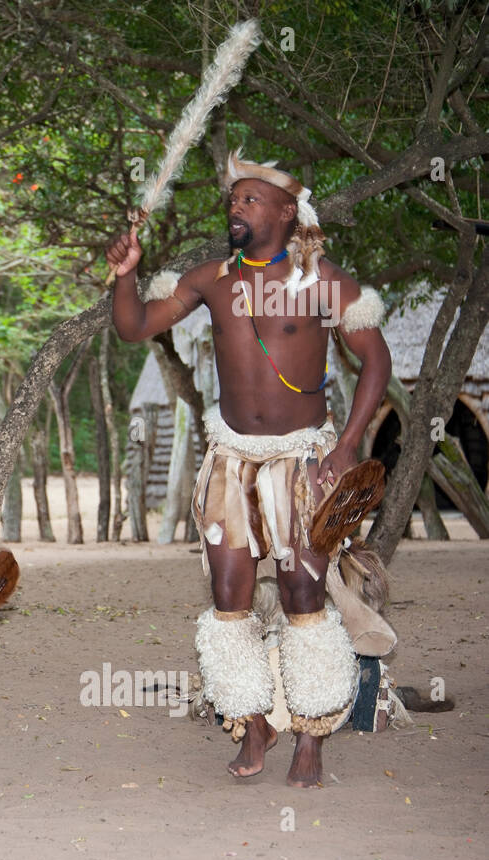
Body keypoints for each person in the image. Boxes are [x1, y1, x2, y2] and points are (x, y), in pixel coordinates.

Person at [107, 150, 393, 787]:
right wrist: (126, 275)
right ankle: (252, 719)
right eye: (232, 200)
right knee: (228, 600)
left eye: (250, 199)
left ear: (286, 212)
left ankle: (313, 733)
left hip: (302, 460)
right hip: (231, 460)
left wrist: (346, 448)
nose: (235, 207)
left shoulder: (324, 281)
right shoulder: (211, 278)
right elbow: (134, 327)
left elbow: (376, 360)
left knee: (303, 596)